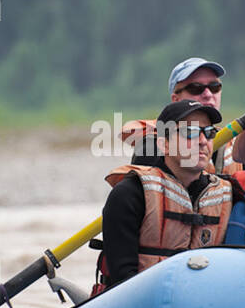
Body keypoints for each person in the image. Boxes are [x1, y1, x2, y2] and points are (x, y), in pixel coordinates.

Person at [98, 100, 233, 291]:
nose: (203, 140)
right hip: (141, 305)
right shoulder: (129, 194)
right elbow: (122, 282)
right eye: (190, 132)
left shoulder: (227, 196)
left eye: (209, 132)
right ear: (164, 144)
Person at [121, 58, 245, 172]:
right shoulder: (155, 143)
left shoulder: (234, 146)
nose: (207, 94)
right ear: (175, 99)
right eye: (195, 88)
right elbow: (128, 132)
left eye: (214, 87)